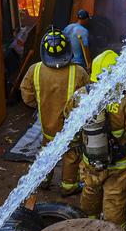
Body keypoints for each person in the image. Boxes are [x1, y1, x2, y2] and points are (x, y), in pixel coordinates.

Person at [64, 50, 126, 226]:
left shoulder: (80, 96)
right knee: (115, 197)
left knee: (90, 190)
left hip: (91, 160)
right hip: (119, 164)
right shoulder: (124, 101)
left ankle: (90, 225)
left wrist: (74, 146)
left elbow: (68, 125)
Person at [20, 29, 90, 196]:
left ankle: (44, 180)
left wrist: (42, 106)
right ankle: (68, 186)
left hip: (47, 126)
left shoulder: (34, 70)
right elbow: (89, 98)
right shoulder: (79, 72)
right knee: (71, 155)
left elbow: (27, 96)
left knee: (47, 152)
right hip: (70, 127)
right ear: (68, 49)